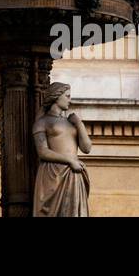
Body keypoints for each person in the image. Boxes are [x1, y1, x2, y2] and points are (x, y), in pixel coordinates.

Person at [32, 82, 92, 217]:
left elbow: (86, 148)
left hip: (73, 172)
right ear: (56, 96)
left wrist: (79, 123)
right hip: (53, 173)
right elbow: (42, 151)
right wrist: (70, 160)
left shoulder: (71, 122)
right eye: (67, 96)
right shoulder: (42, 122)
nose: (70, 100)